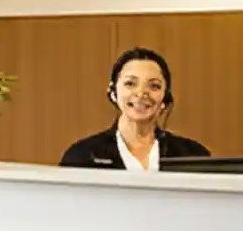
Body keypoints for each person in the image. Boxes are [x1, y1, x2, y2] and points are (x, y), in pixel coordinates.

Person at [59, 47, 210, 171]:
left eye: (154, 86)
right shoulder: (82, 156)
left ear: (165, 98)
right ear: (113, 93)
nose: (141, 93)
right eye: (130, 83)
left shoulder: (194, 155)